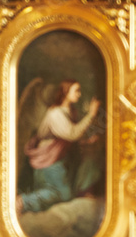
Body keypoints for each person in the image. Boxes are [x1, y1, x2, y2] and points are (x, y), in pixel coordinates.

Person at [17, 80, 101, 216]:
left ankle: (84, 194)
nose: (79, 94)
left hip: (59, 159)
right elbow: (72, 134)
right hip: (48, 161)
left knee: (70, 188)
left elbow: (71, 137)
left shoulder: (70, 111)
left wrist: (86, 141)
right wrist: (91, 115)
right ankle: (23, 202)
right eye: (76, 90)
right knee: (62, 194)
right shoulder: (55, 113)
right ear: (66, 92)